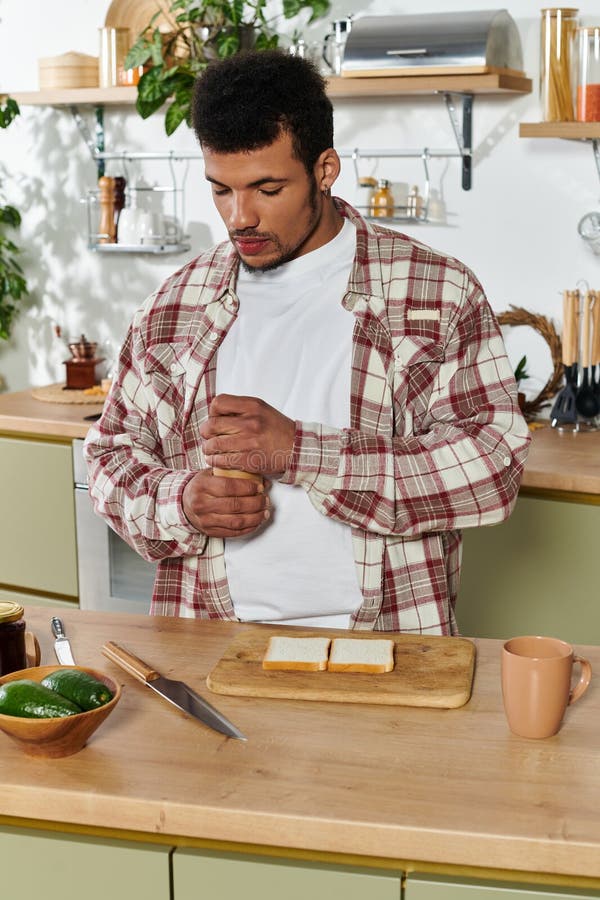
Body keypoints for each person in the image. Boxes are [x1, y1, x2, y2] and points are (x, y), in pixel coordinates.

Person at [84, 50, 530, 633]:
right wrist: (182, 500)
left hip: (385, 644)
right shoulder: (176, 305)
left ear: (325, 169)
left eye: (268, 188)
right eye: (221, 189)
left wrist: (299, 452)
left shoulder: (435, 291)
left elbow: (493, 467)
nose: (239, 217)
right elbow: (109, 460)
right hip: (212, 643)